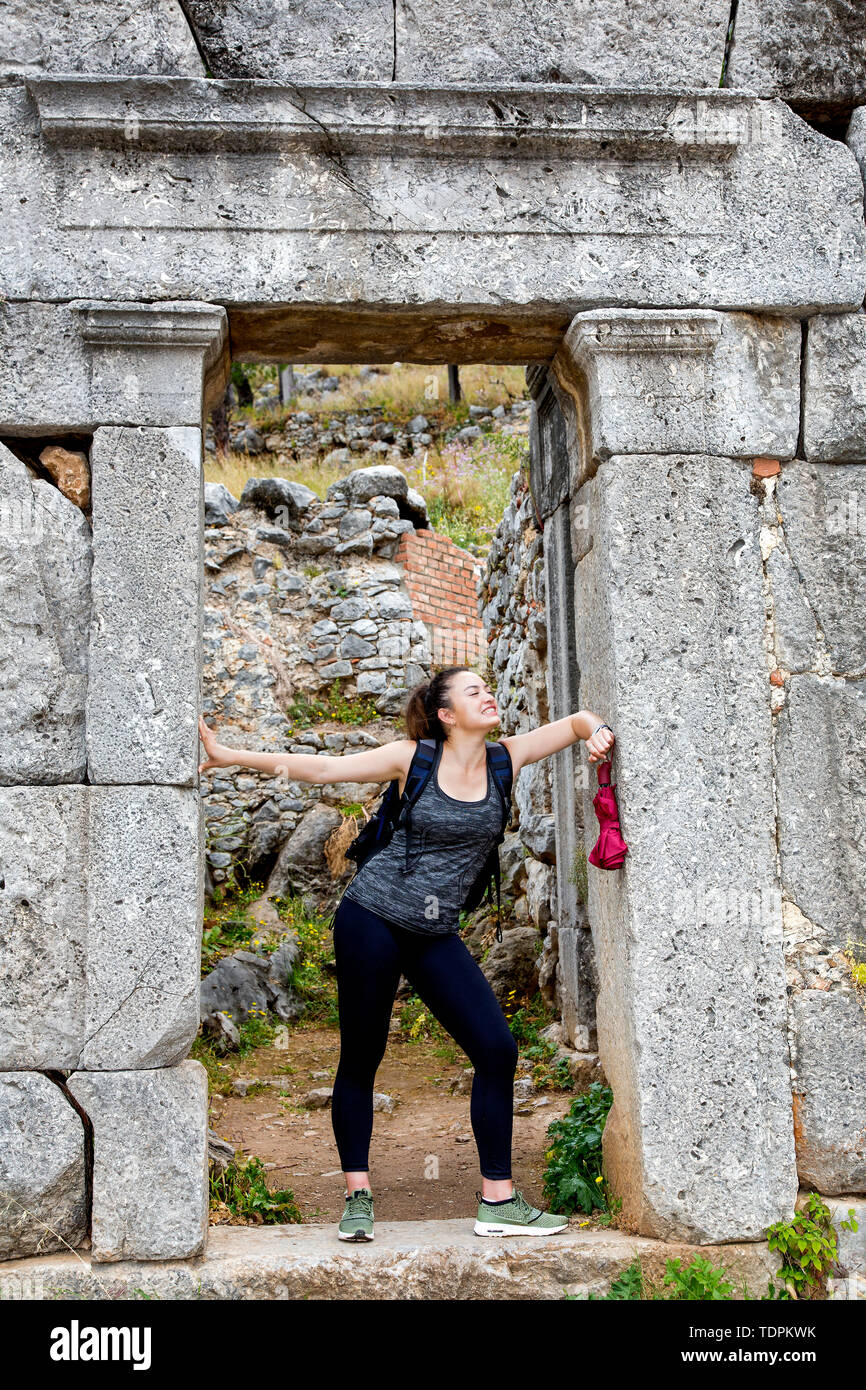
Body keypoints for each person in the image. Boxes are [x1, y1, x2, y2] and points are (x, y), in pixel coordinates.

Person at [198, 666, 615, 1241]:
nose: (488, 695)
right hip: (370, 918)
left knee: (496, 1048)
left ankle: (498, 1201)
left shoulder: (503, 761)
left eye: (486, 688)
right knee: (362, 1059)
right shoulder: (412, 758)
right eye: (473, 691)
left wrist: (597, 730)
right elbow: (320, 769)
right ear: (446, 714)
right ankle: (358, 1197)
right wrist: (227, 756)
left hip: (432, 932)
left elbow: (573, 723)